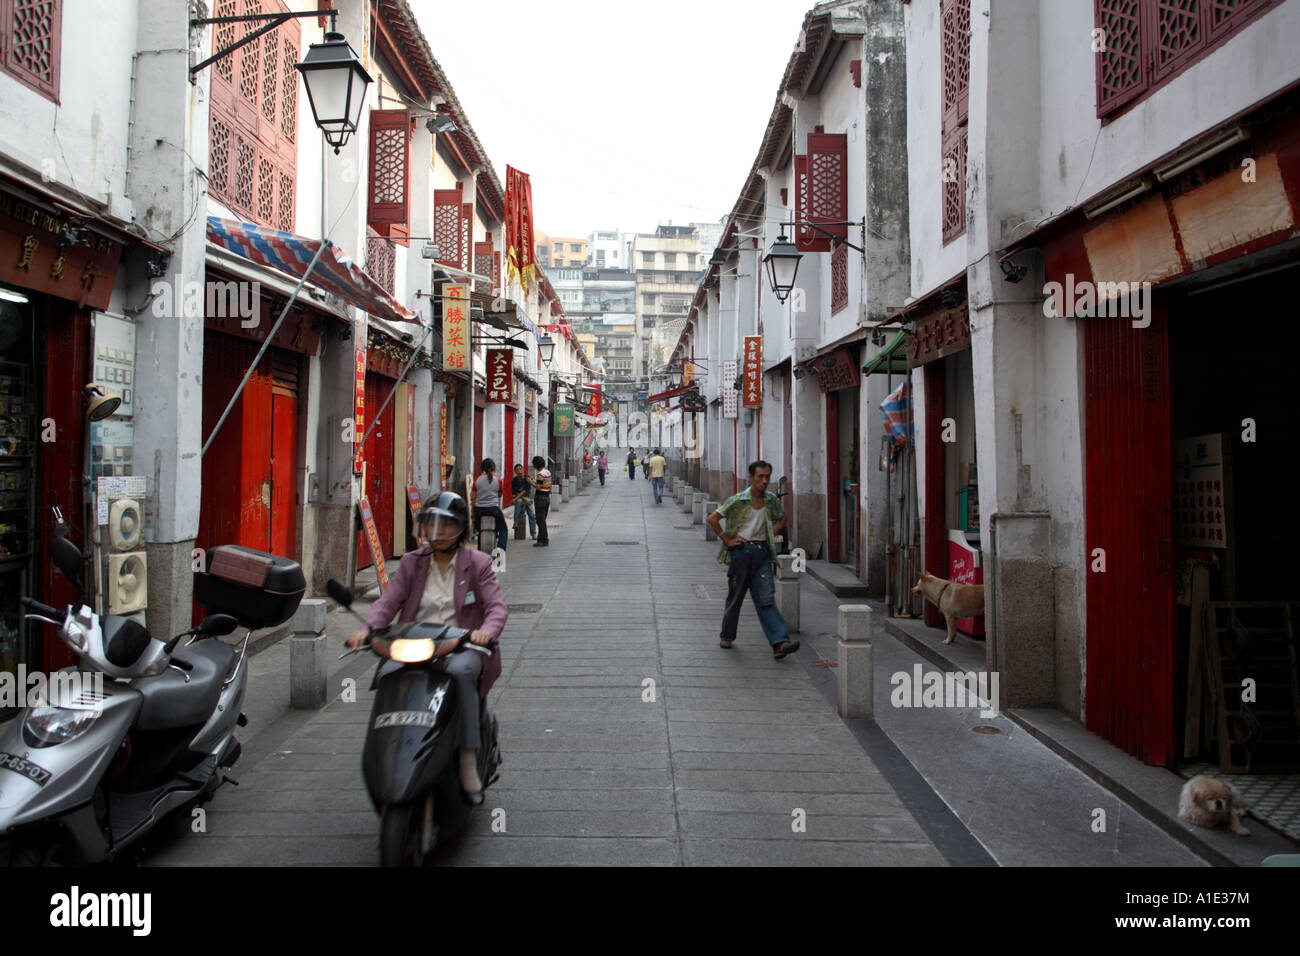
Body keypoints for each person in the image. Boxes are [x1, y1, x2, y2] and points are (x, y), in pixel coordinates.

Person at [346, 492, 507, 804]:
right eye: (432, 525)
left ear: (461, 528)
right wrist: (366, 631)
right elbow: (388, 602)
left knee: (462, 675)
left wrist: (485, 633)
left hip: (459, 647)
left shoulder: (478, 563)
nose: (439, 532)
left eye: (446, 526)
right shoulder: (411, 563)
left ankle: (467, 759)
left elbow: (496, 607)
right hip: (414, 641)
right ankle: (387, 753)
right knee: (389, 675)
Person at [705, 460, 800, 661]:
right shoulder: (738, 500)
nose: (764, 481)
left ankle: (779, 642)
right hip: (741, 553)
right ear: (751, 477)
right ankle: (727, 635)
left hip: (762, 553)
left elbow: (782, 517)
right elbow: (713, 518)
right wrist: (727, 540)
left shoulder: (771, 500)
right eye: (760, 477)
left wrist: (771, 533)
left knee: (766, 597)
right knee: (736, 596)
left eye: (767, 477)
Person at [470, 458, 509, 552]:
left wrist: (472, 512)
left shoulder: (477, 480)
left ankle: (480, 550)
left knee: (480, 531)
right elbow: (500, 494)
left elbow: (473, 498)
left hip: (479, 509)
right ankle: (500, 549)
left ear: (482, 468)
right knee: (503, 529)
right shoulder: (498, 480)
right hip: (493, 509)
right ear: (494, 468)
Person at [510, 463, 537, 540]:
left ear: (523, 470)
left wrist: (522, 499)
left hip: (528, 497)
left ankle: (533, 533)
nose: (519, 471)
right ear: (515, 471)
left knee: (531, 514)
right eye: (517, 469)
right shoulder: (514, 481)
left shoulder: (527, 478)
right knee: (518, 502)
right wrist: (522, 499)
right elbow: (515, 493)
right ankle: (515, 521)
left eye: (520, 469)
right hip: (520, 498)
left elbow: (525, 491)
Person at [531, 455, 552, 546]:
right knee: (542, 519)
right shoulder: (548, 472)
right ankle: (541, 539)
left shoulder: (540, 474)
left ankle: (544, 539)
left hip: (540, 497)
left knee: (540, 520)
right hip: (547, 497)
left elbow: (538, 486)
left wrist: (530, 481)